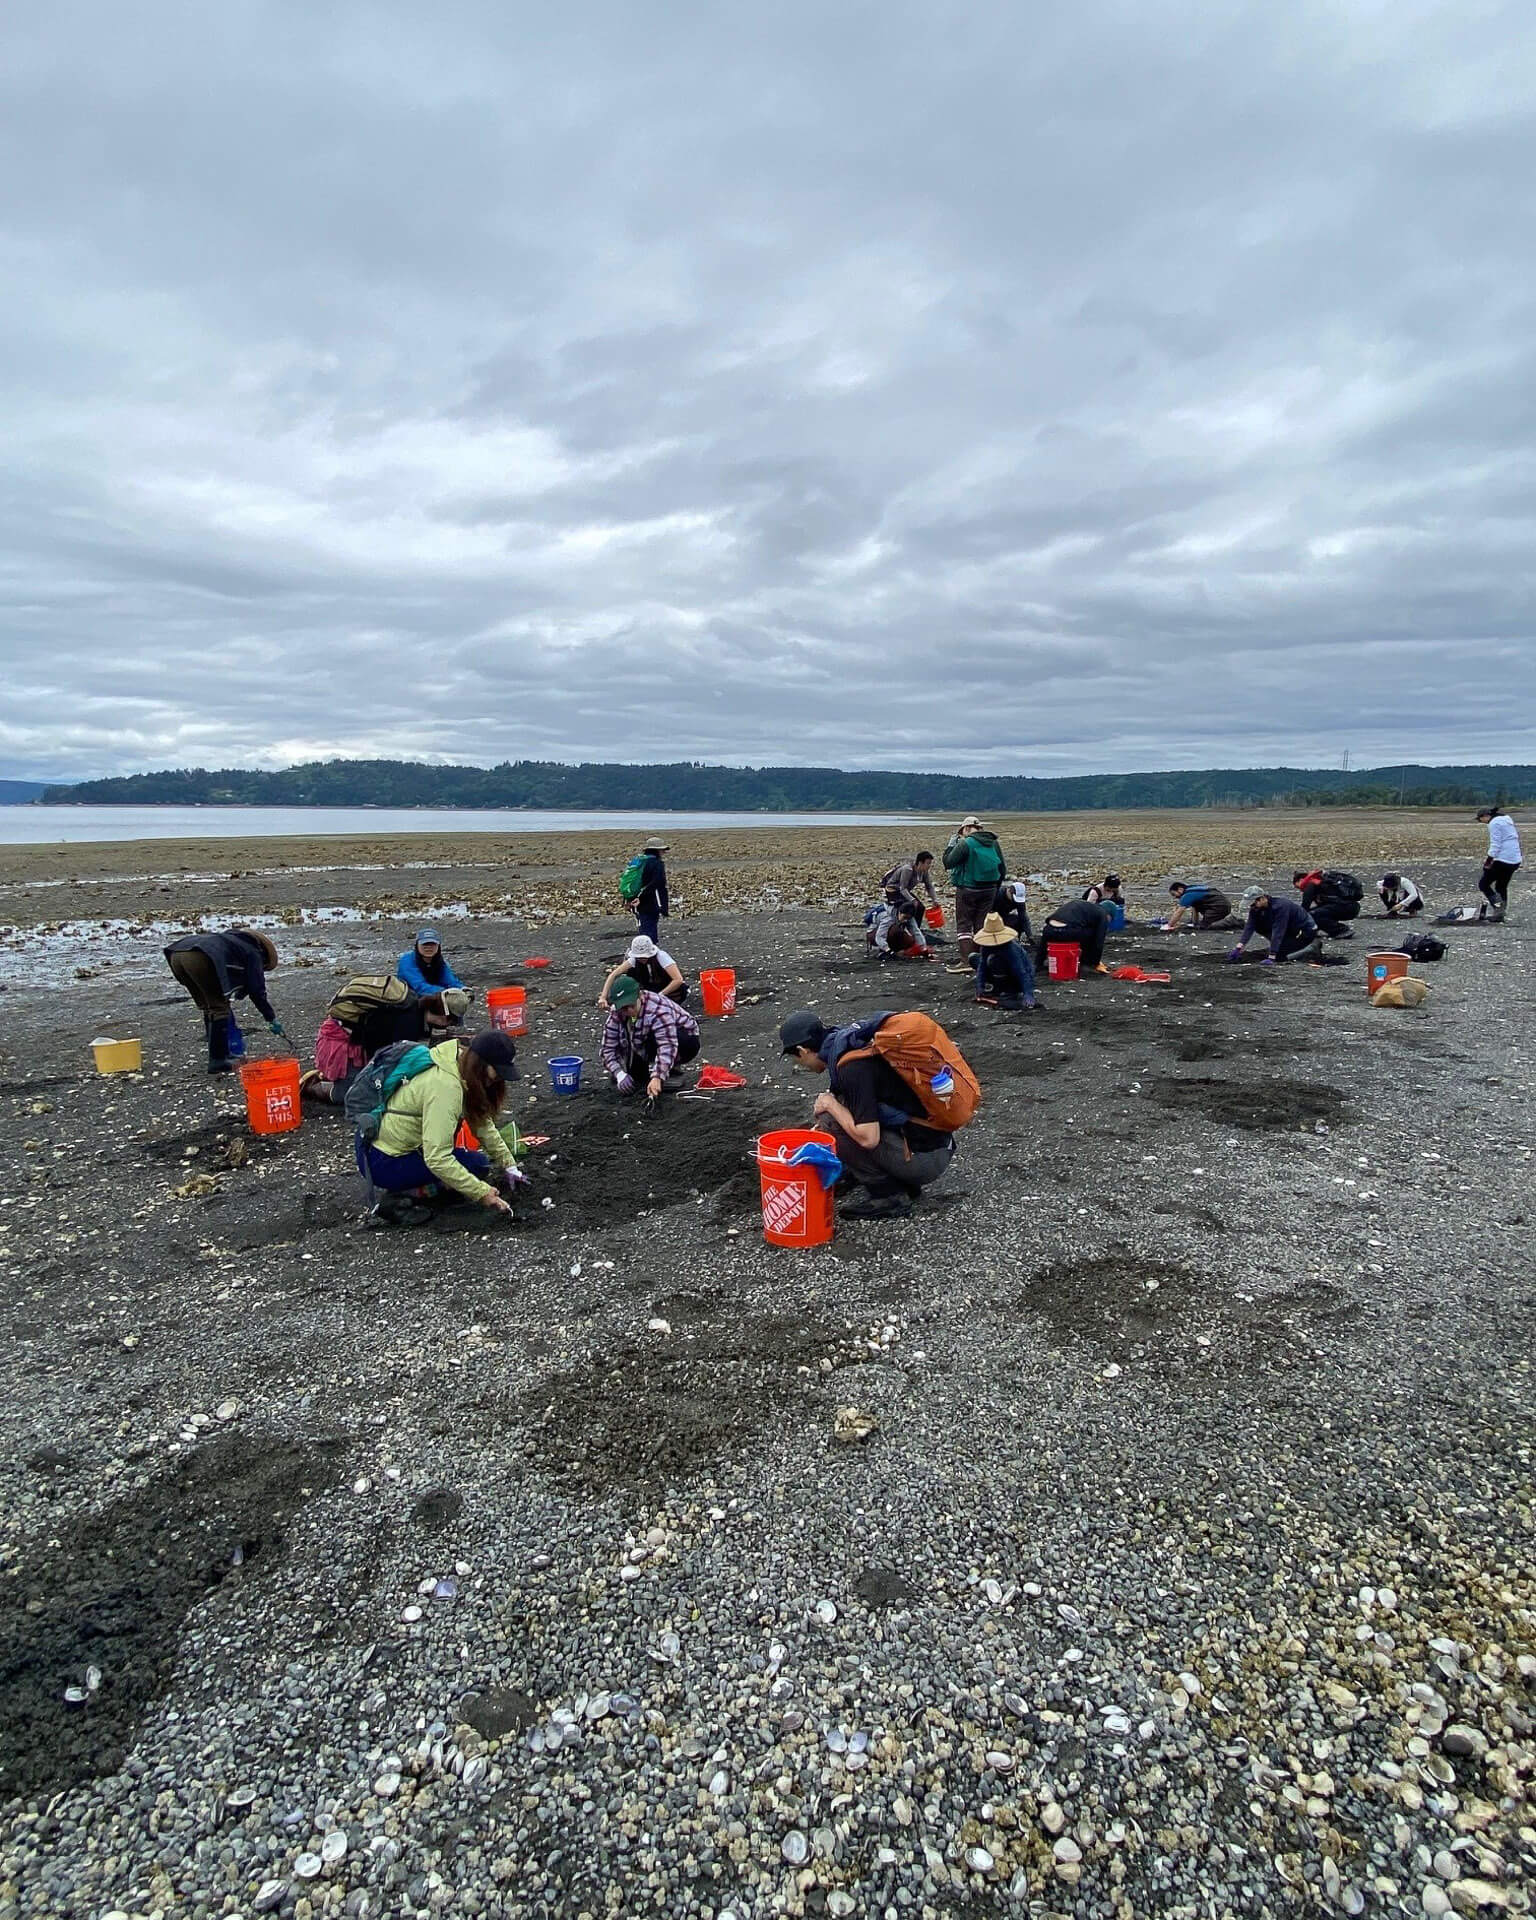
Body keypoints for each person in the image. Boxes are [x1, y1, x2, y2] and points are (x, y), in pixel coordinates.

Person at [779, 1009, 956, 1221]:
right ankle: (893, 1181)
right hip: (937, 1144)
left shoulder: (851, 1067)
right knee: (842, 1107)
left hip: (926, 1161)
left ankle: (888, 1196)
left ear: (802, 1050)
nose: (800, 1066)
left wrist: (830, 1105)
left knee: (831, 1121)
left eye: (795, 1059)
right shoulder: (852, 1043)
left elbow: (869, 1138)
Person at [359, 1029, 523, 1225]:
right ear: (480, 1064)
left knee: (475, 1165)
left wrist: (508, 1164)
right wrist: (481, 1193)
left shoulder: (457, 1064)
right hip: (383, 1159)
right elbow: (437, 1157)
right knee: (472, 1168)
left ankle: (424, 1187)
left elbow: (481, 1123)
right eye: (497, 1072)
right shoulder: (446, 1088)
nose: (498, 1079)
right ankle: (401, 1197)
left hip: (381, 1146)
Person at [304, 986, 469, 1105]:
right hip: (341, 1039)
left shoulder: (417, 1009)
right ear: (443, 1016)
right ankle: (312, 1085)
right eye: (452, 1021)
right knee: (350, 1095)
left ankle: (337, 1076)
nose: (450, 1026)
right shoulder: (408, 1024)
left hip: (364, 1044)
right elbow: (386, 1058)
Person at [164, 927, 284, 1073]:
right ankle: (217, 1060)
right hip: (200, 956)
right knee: (219, 1008)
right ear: (264, 954)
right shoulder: (252, 952)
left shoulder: (231, 942)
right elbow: (256, 990)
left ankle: (220, 1053)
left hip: (177, 955)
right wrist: (270, 1018)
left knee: (209, 1006)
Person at [600, 973, 700, 1097]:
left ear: (640, 996)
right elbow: (607, 1049)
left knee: (661, 1041)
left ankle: (673, 1070)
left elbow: (667, 1045)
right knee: (636, 1079)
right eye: (624, 1008)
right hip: (640, 1039)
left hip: (684, 1038)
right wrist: (619, 1073)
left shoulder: (658, 1010)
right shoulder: (617, 1013)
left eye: (631, 1005)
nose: (629, 1011)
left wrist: (658, 1077)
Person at [942, 816, 1007, 971]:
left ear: (965, 829)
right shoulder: (993, 843)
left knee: (964, 925)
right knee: (981, 925)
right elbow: (1002, 868)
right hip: (990, 889)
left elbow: (948, 862)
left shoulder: (966, 843)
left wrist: (951, 844)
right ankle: (981, 959)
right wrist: (996, 888)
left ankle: (966, 962)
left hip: (968, 889)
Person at [1227, 888, 1323, 965]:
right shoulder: (1256, 908)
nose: (1252, 907)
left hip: (1306, 931)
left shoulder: (1280, 907)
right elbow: (1250, 926)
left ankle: (1310, 949)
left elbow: (1279, 930)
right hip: (1290, 929)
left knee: (1280, 957)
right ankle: (1283, 947)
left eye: (1254, 903)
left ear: (1262, 898)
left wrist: (1272, 956)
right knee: (1261, 928)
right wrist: (1239, 947)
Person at [972, 912, 1040, 1011]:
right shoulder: (985, 946)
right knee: (973, 958)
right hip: (999, 970)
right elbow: (982, 967)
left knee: (996, 961)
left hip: (1015, 976)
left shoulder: (1011, 948)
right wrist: (980, 986)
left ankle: (1007, 990)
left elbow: (1022, 972)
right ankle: (998, 987)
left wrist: (1028, 994)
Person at [598, 934, 689, 1007]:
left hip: (667, 990)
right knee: (628, 975)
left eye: (644, 957)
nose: (642, 959)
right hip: (648, 988)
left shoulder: (661, 956)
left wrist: (660, 995)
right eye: (639, 957)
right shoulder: (633, 960)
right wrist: (603, 997)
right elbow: (613, 975)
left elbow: (678, 979)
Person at [1034, 898, 1112, 974]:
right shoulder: (1102, 913)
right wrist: (1096, 962)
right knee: (1093, 933)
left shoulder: (1087, 907)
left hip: (1049, 930)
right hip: (1068, 931)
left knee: (1044, 943)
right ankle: (1087, 964)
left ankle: (1038, 964)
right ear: (1109, 914)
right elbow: (1099, 941)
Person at [1476, 806, 1522, 921]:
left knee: (1484, 884)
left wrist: (1488, 861)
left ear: (1485, 816)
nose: (1482, 822)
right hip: (1515, 858)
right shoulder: (1507, 819)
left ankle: (1498, 908)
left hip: (1503, 858)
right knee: (1501, 886)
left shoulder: (1494, 823)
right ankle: (1500, 913)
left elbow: (1496, 844)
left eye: (1480, 819)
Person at [1292, 869, 1363, 938]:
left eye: (1296, 886)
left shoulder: (1311, 885)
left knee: (1313, 914)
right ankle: (1315, 929)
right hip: (1352, 907)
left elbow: (1305, 908)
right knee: (1319, 912)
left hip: (1345, 907)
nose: (1299, 889)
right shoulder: (1322, 882)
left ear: (1301, 880)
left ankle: (1341, 930)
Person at [397, 929, 464, 996]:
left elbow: (450, 980)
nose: (429, 947)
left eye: (432, 944)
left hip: (434, 995)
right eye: (425, 944)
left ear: (438, 946)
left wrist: (462, 989)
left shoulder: (439, 961)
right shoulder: (407, 960)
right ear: (417, 945)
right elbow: (419, 987)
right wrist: (446, 992)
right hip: (409, 999)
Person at [630, 841, 670, 943]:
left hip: (637, 901)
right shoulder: (657, 864)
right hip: (651, 902)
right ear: (656, 850)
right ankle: (648, 954)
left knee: (643, 927)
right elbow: (658, 883)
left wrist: (631, 899)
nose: (663, 852)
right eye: (662, 850)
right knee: (650, 932)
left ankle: (643, 951)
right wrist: (664, 907)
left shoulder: (638, 862)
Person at [883, 852, 939, 919]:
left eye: (930, 863)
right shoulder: (908, 870)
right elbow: (903, 888)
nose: (929, 866)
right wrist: (912, 900)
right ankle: (901, 925)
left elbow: (929, 886)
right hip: (893, 891)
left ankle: (916, 928)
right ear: (920, 863)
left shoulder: (924, 872)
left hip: (903, 891)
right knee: (909, 907)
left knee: (921, 907)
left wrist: (934, 900)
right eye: (928, 863)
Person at [1164, 882, 1236, 931]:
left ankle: (1233, 922)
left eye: (1174, 894)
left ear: (1180, 889)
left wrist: (1169, 925)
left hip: (1218, 906)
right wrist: (1194, 923)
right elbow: (1195, 908)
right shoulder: (1193, 889)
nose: (1174, 897)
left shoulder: (1187, 895)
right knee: (1200, 925)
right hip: (1220, 905)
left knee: (1206, 927)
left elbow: (1179, 912)